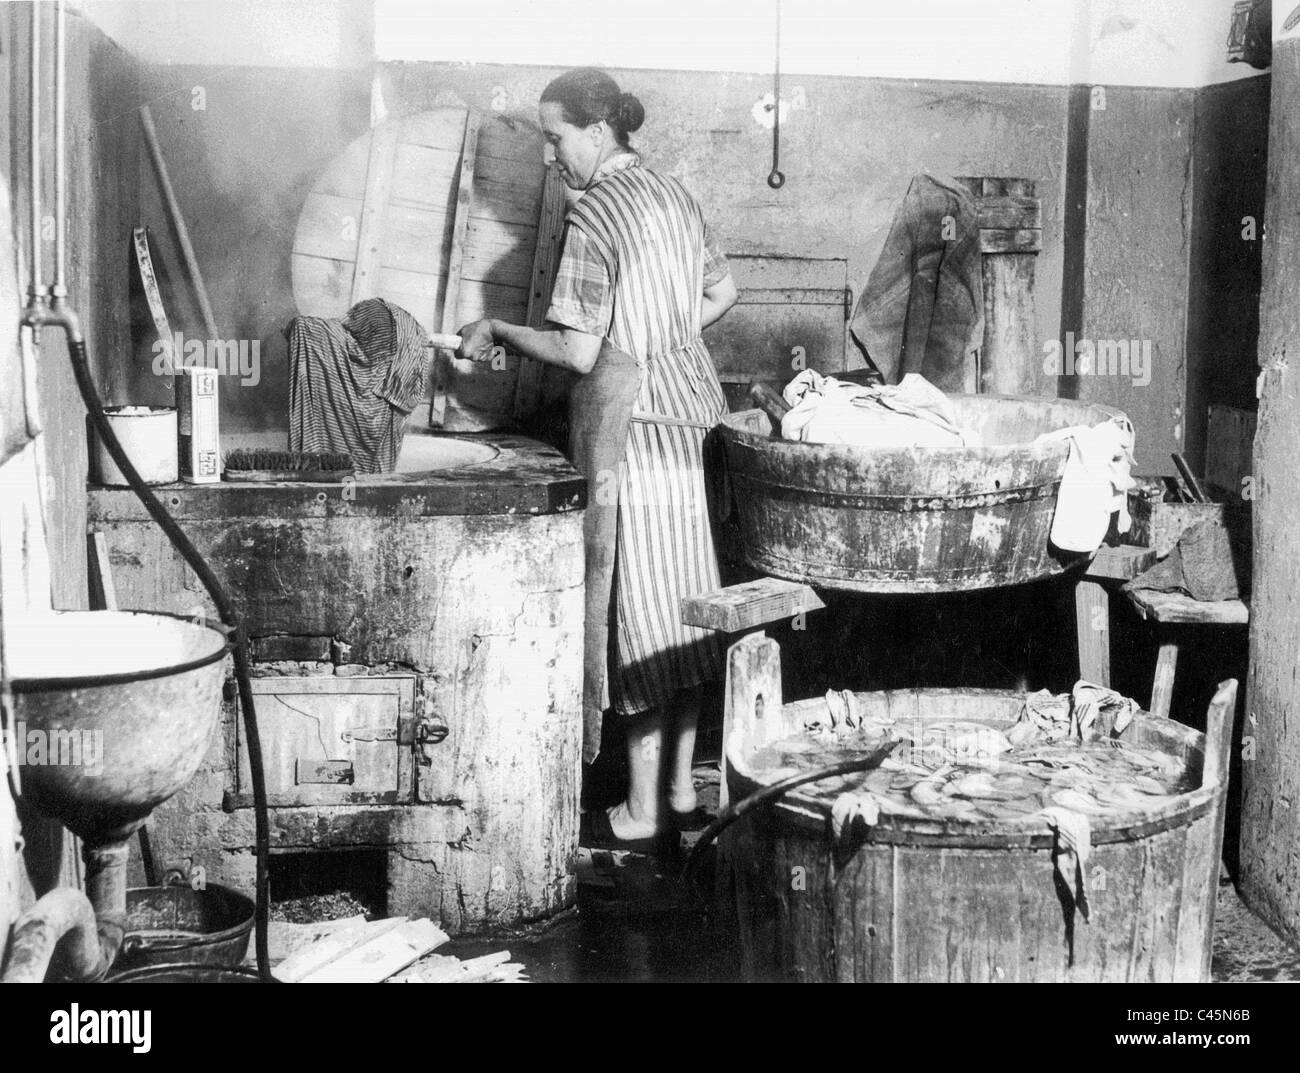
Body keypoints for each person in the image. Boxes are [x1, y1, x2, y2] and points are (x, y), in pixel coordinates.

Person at [457, 67, 738, 852]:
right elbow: (724, 294)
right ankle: (683, 788)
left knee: (644, 616)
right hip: (695, 416)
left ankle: (644, 808)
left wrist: (499, 330)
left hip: (636, 428)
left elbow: (579, 352)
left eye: (555, 139)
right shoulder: (674, 193)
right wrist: (667, 334)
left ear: (598, 131)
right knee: (690, 608)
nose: (552, 158)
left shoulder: (593, 216)